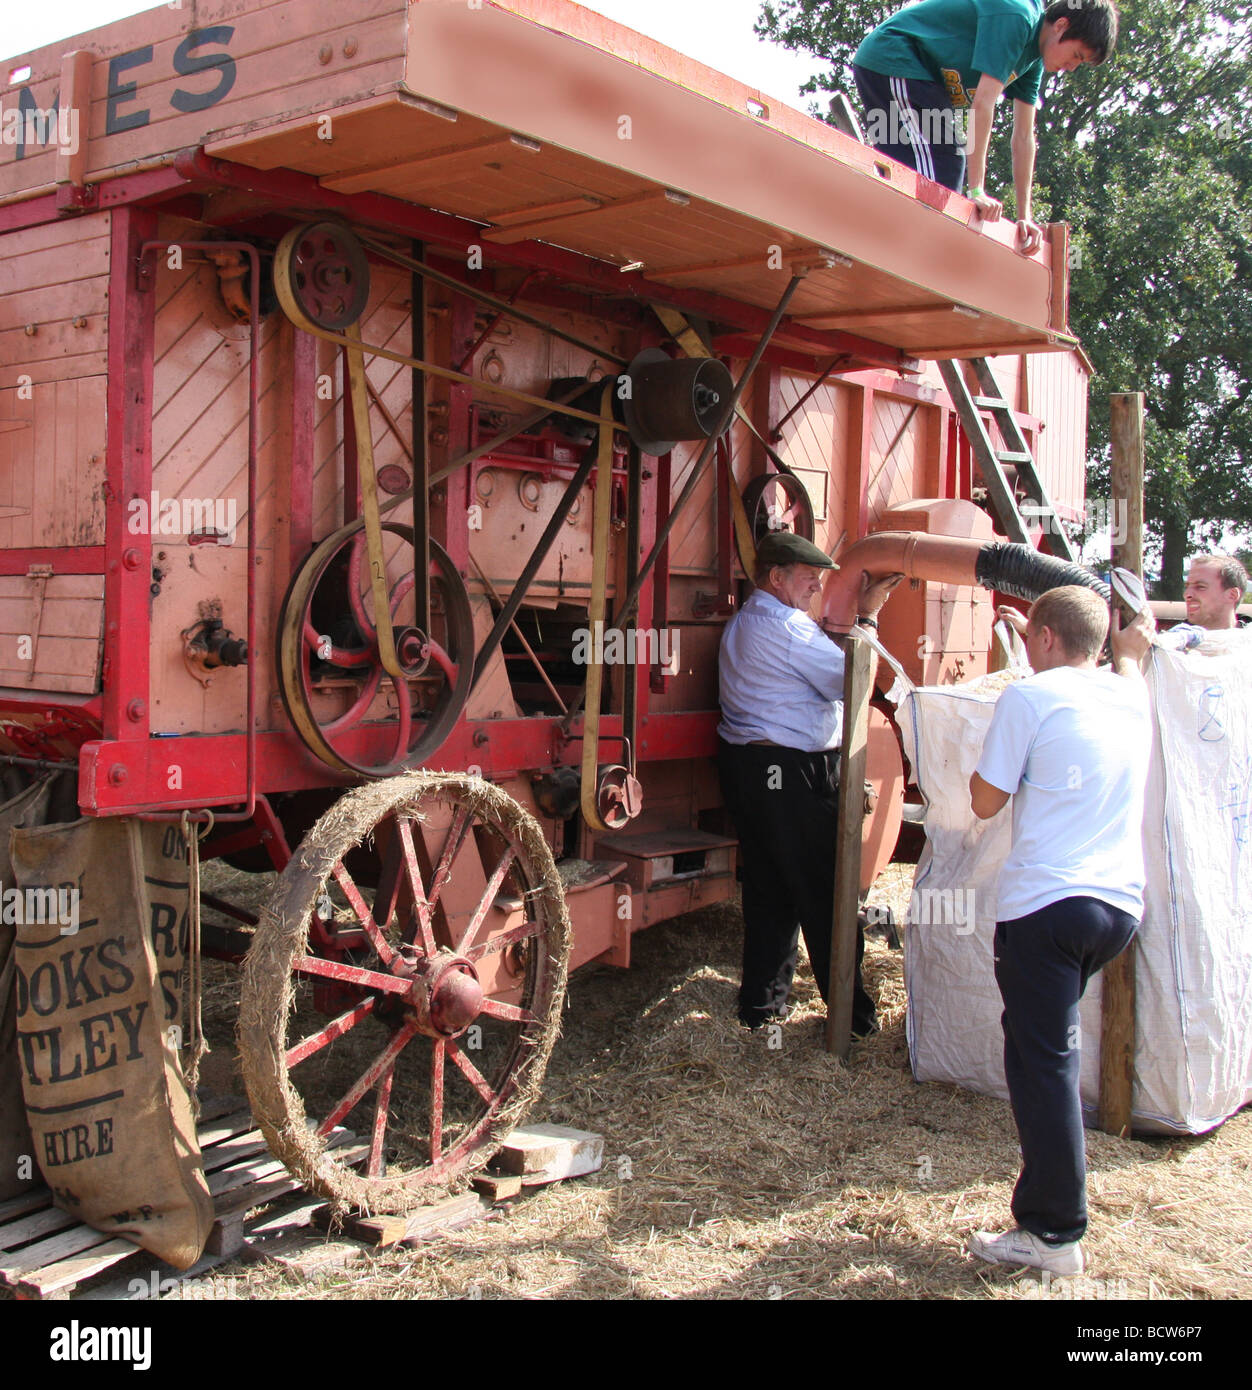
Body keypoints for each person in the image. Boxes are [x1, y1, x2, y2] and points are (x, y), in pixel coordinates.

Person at [966, 585, 1154, 1275]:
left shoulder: (1030, 698)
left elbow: (984, 801)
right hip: (1116, 910)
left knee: (1043, 1067)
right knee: (1053, 1055)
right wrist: (1131, 644)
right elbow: (1131, 661)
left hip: (1046, 908)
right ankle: (1051, 1219)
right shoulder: (1130, 695)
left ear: (1043, 637)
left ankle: (1053, 1233)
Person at [716, 532, 901, 1033]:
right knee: (826, 891)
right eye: (807, 578)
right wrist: (867, 615)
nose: (816, 588)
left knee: (771, 890)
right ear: (776, 577)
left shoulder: (747, 622)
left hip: (753, 769)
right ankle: (852, 1018)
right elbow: (855, 678)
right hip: (791, 773)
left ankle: (763, 1008)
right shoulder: (785, 626)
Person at [852, 0, 1119, 255]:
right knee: (943, 160)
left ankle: (880, 233)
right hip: (894, 56)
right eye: (1076, 55)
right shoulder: (1018, 18)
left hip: (915, 77)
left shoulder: (1032, 62)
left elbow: (1024, 138)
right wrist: (977, 190)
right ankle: (911, 251)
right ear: (1061, 25)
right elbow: (983, 103)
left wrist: (1025, 217)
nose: (1071, 68)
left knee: (921, 166)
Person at [1162, 553, 1250, 649]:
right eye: (1187, 587)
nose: (1187, 594)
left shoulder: (1248, 643)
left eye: (1200, 587)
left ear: (1232, 595)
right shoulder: (1170, 646)